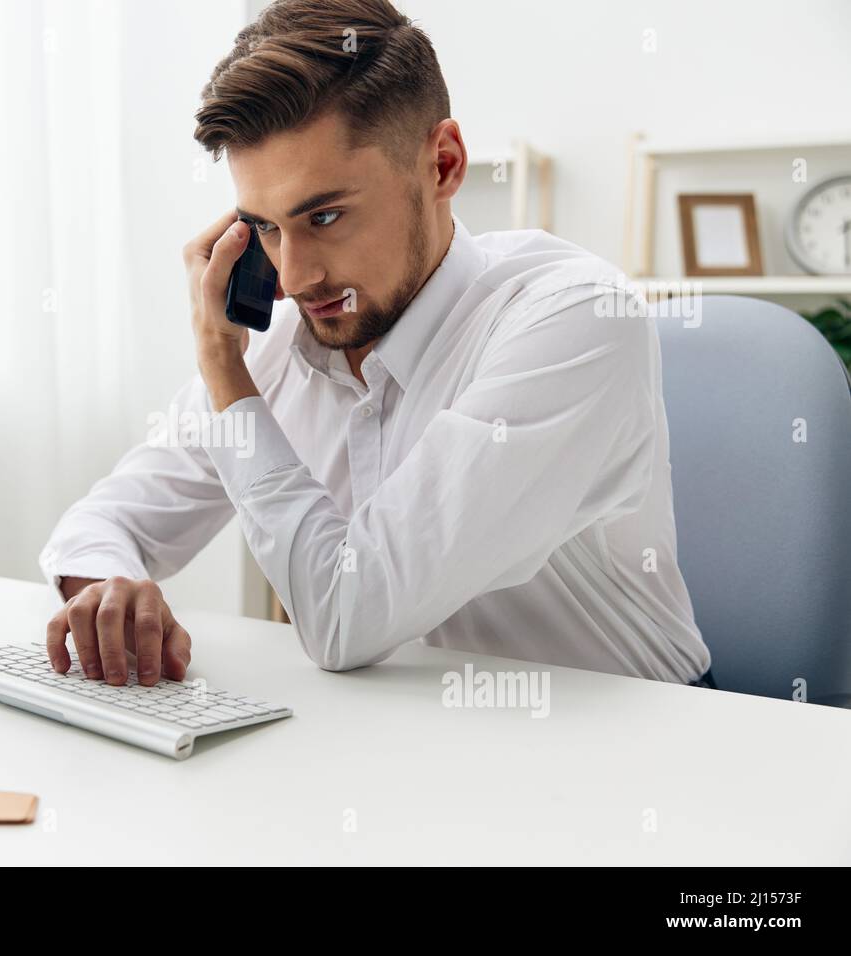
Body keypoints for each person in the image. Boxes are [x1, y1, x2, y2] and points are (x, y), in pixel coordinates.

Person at [38, 0, 711, 690]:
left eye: (324, 216)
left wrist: (220, 366)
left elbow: (345, 619)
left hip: (632, 752)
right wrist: (110, 593)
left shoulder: (574, 319)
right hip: (402, 747)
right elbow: (101, 522)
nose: (295, 276)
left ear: (443, 164)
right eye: (265, 228)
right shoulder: (279, 352)